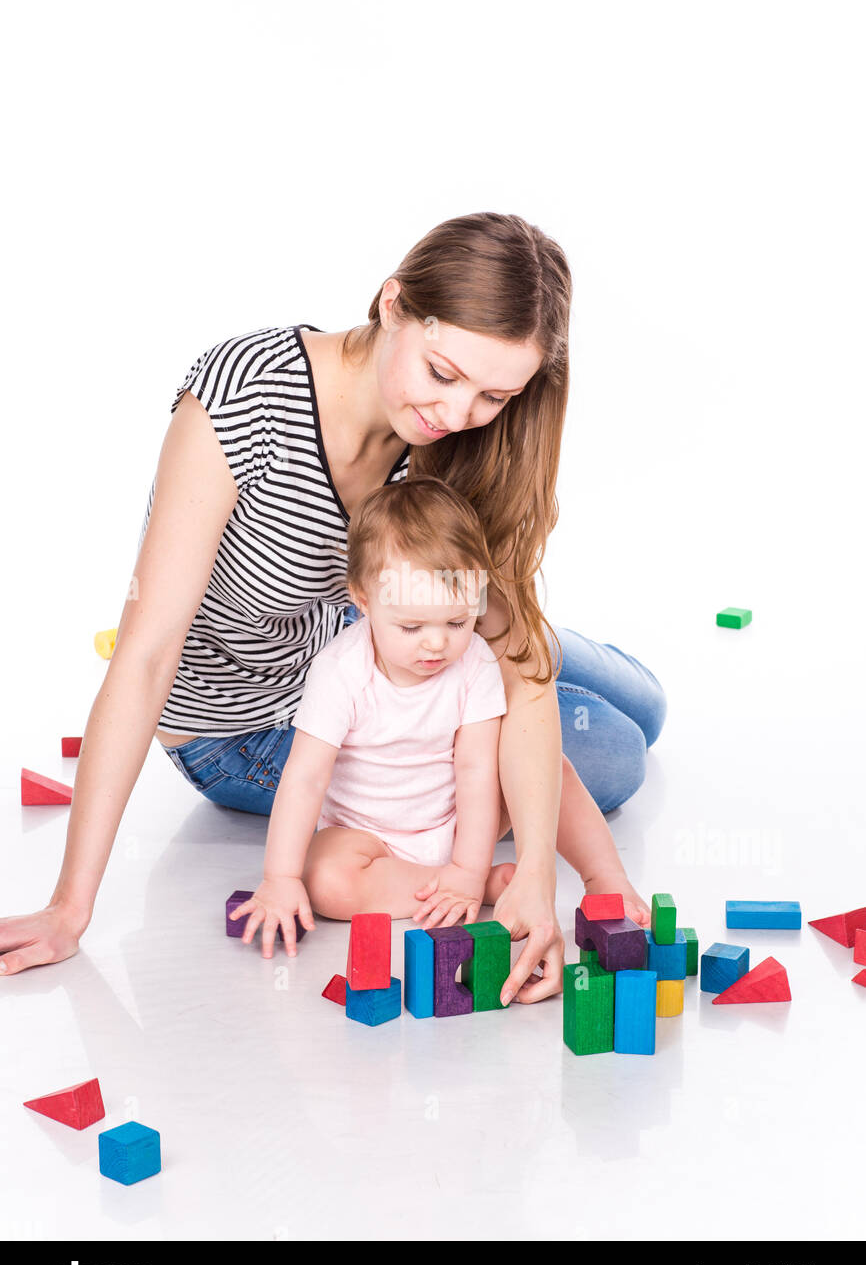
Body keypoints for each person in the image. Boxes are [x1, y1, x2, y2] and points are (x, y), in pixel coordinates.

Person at [0, 211, 666, 1005]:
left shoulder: (462, 437)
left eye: (494, 394)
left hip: (376, 635)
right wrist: (69, 907)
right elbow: (147, 652)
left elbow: (519, 672)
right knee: (616, 752)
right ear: (392, 304)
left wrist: (538, 875)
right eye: (442, 374)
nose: (455, 416)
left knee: (635, 703)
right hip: (250, 720)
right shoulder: (244, 399)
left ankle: (526, 663)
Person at [230, 477, 516, 965]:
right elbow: (304, 778)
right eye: (411, 626)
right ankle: (474, 885)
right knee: (326, 882)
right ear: (363, 600)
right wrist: (280, 878)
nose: (436, 645)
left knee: (541, 770)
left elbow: (475, 771)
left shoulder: (476, 663)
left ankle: (476, 878)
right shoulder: (341, 670)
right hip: (366, 835)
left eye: (457, 622)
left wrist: (467, 864)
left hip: (453, 823)